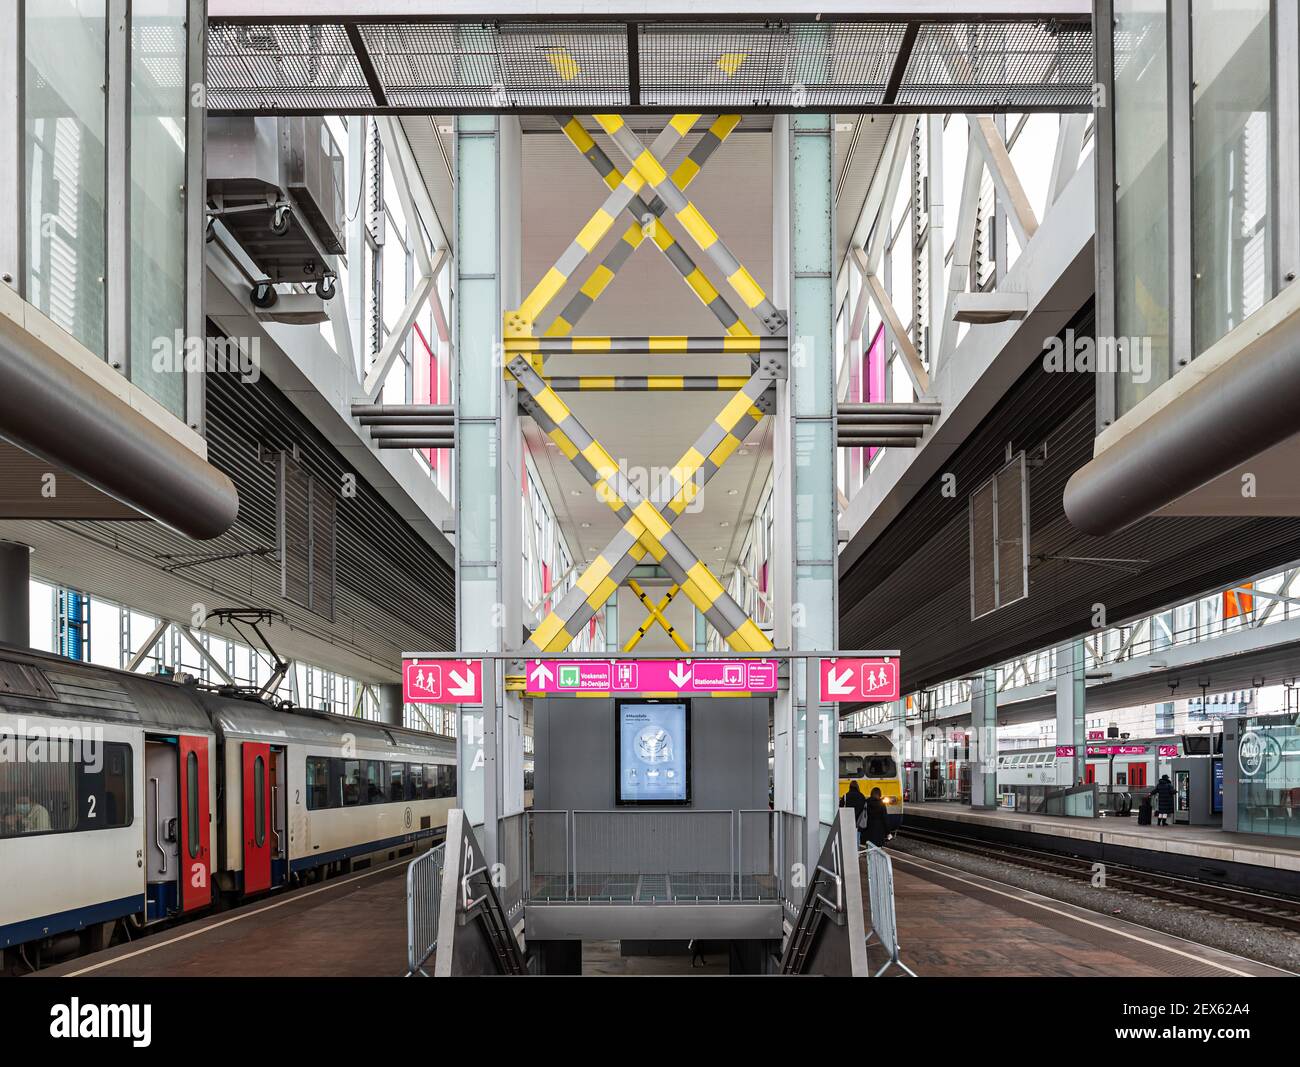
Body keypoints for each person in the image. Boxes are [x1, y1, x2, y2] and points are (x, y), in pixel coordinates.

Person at [841, 780, 867, 846]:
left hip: (847, 822)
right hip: (858, 821)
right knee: (857, 838)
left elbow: (841, 807)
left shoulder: (846, 796)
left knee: (847, 839)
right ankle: (856, 853)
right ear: (857, 787)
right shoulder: (862, 796)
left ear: (850, 787)